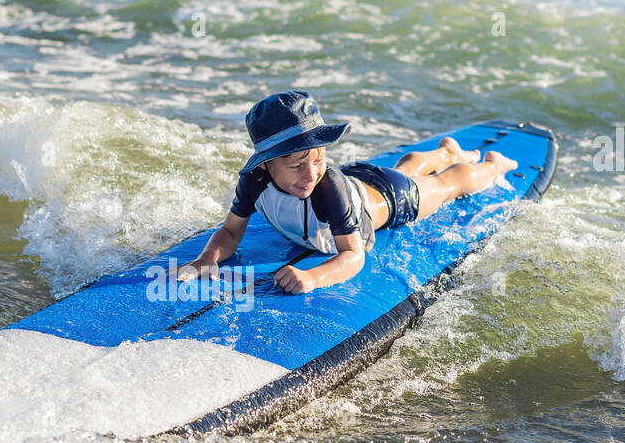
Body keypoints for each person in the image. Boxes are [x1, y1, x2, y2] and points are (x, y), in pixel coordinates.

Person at [177, 89, 517, 293]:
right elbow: (230, 230)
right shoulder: (254, 180)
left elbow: (353, 256)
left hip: (393, 199)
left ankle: (490, 164)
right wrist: (208, 258)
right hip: (362, 180)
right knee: (404, 166)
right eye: (297, 165)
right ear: (266, 165)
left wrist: (311, 277)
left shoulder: (326, 187)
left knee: (447, 184)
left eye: (319, 158)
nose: (310, 173)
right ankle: (447, 152)